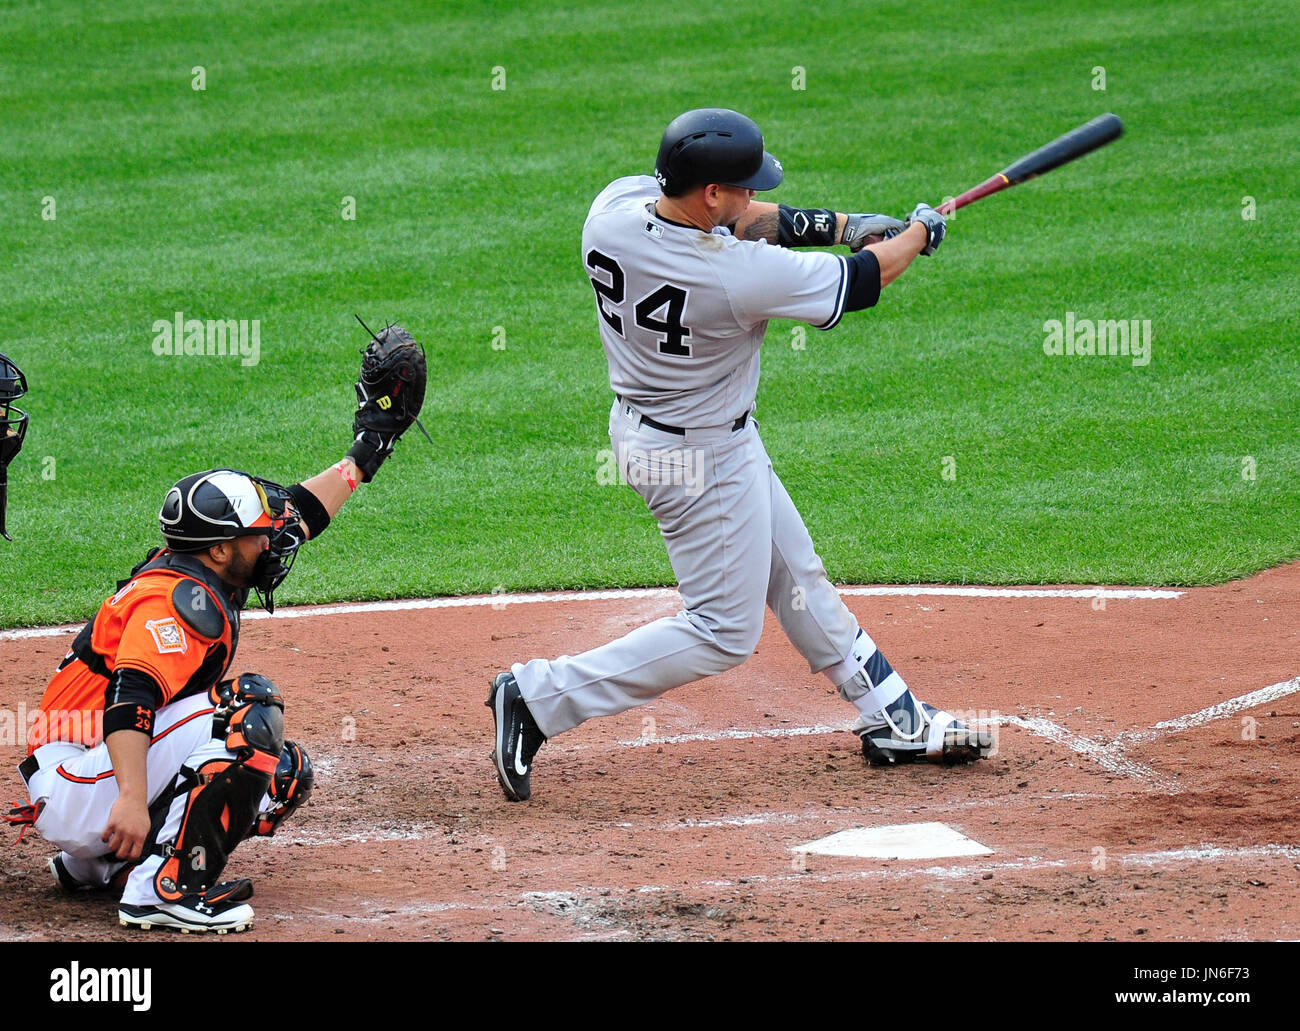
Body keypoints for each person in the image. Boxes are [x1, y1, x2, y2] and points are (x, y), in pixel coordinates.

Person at [488, 108, 992, 802]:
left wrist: (846, 226)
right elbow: (863, 284)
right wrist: (915, 235)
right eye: (744, 188)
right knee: (724, 630)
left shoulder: (610, 212)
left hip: (651, 430)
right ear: (712, 196)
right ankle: (538, 697)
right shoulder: (736, 277)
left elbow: (745, 222)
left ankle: (893, 716)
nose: (755, 199)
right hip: (701, 463)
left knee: (795, 574)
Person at [5, 323, 427, 932]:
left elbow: (300, 514)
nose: (272, 538)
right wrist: (128, 799)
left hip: (84, 768)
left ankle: (99, 866)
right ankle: (159, 890)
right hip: (77, 777)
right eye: (257, 533)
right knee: (249, 716)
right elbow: (131, 699)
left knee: (281, 772)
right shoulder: (176, 601)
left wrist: (368, 450)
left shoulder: (205, 566)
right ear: (222, 550)